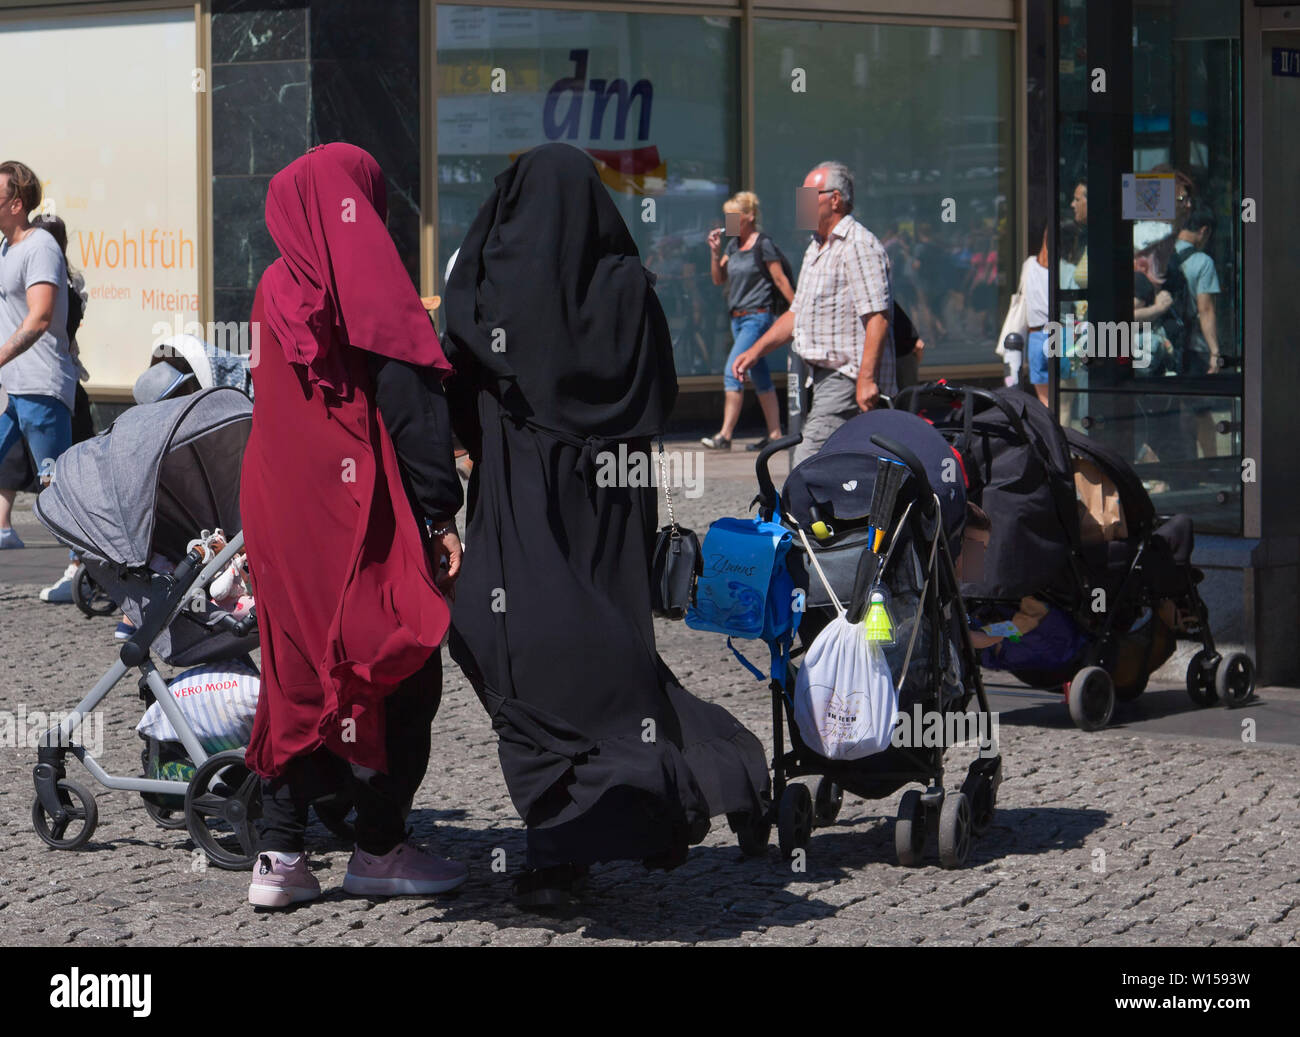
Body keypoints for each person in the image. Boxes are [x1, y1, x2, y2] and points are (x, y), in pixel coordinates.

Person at [442, 143, 769, 909]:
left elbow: (451, 364)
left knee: (531, 660)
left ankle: (565, 852)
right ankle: (712, 771)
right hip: (611, 507)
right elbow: (656, 392)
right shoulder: (627, 287)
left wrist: (484, 435)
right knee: (612, 658)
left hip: (524, 507)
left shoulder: (492, 288)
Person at [241, 143, 467, 909]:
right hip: (361, 516)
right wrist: (439, 513)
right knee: (395, 662)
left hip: (279, 514)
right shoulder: (369, 277)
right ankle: (378, 845)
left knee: (295, 666)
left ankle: (279, 853)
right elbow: (410, 401)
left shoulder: (275, 284)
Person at [733, 160, 895, 466]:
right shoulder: (816, 247)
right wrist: (755, 351)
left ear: (834, 199)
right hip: (818, 378)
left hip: (846, 377)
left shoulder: (858, 245)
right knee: (840, 467)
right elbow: (798, 314)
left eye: (808, 196)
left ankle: (802, 514)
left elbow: (877, 317)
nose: (801, 205)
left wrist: (867, 379)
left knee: (805, 464)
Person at [0, 160, 75, 551]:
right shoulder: (5, 248)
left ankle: (90, 566)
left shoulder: (40, 247)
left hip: (41, 385)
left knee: (57, 486)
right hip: (15, 388)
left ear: (16, 204)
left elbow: (40, 317)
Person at [24, 214, 95, 603]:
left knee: (57, 479)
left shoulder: (56, 287)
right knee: (56, 476)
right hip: (36, 387)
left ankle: (78, 564)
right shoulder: (65, 283)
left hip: (46, 387)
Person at [701, 191, 792, 452]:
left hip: (758, 317)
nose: (728, 219)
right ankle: (775, 435)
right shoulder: (732, 246)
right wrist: (714, 252)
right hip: (737, 319)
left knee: (734, 369)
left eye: (733, 215)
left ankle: (725, 435)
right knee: (759, 374)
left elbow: (780, 280)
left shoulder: (763, 244)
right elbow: (719, 279)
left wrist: (798, 310)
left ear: (749, 216)